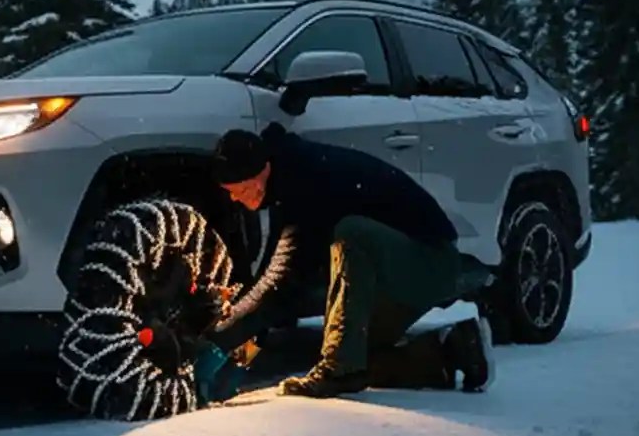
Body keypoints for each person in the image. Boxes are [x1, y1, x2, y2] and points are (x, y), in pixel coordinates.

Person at [204, 123, 496, 399]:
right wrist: (239, 343)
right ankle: (455, 349)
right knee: (362, 358)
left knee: (351, 235)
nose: (234, 199)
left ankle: (339, 371)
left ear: (261, 171)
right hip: (400, 264)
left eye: (238, 190)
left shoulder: (306, 182)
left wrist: (217, 339)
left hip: (429, 262)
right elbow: (276, 280)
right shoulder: (286, 178)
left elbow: (280, 282)